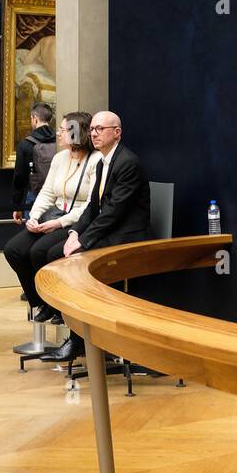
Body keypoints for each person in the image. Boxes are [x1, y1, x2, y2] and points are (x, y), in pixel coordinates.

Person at [40, 111, 150, 363]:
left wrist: (84, 241)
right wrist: (74, 232)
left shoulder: (127, 163)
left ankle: (81, 340)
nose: (94, 133)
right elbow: (92, 207)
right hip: (110, 230)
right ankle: (81, 334)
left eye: (101, 129)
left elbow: (113, 213)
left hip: (128, 236)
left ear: (117, 132)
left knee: (73, 260)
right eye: (92, 129)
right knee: (54, 252)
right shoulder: (101, 162)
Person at [2, 111, 100, 324]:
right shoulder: (60, 158)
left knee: (39, 251)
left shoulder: (96, 160)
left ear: (76, 132)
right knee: (14, 250)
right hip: (52, 215)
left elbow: (91, 205)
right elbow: (47, 192)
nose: (58, 133)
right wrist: (34, 217)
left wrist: (58, 223)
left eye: (63, 129)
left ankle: (56, 306)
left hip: (75, 221)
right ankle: (39, 301)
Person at [12, 102, 57, 221]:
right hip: (57, 196)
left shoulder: (25, 144)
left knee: (33, 234)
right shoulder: (60, 142)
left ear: (35, 119)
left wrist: (17, 206)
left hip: (35, 195)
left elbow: (19, 177)